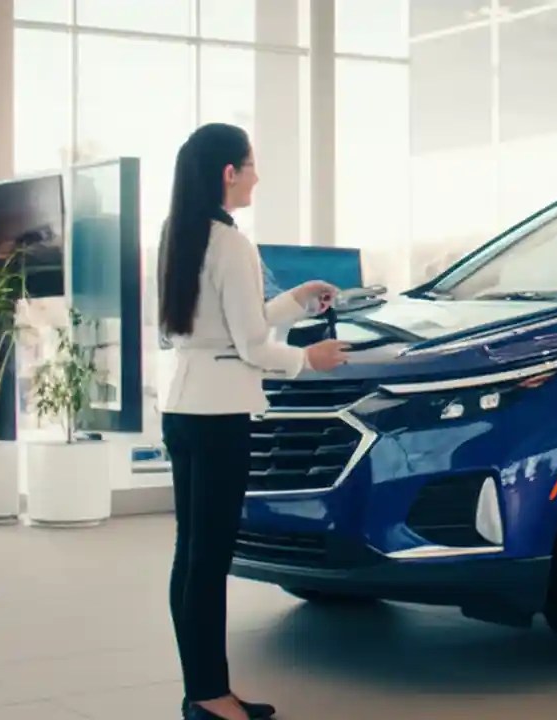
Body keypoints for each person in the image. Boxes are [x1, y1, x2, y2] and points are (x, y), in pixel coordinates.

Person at [158, 123, 349, 720]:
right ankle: (210, 697)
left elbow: (229, 324)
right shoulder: (233, 244)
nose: (257, 177)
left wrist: (296, 299)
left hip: (183, 406)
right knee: (209, 559)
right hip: (220, 416)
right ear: (228, 173)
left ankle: (204, 689)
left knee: (191, 554)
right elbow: (252, 346)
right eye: (251, 166)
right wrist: (309, 359)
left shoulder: (178, 234)